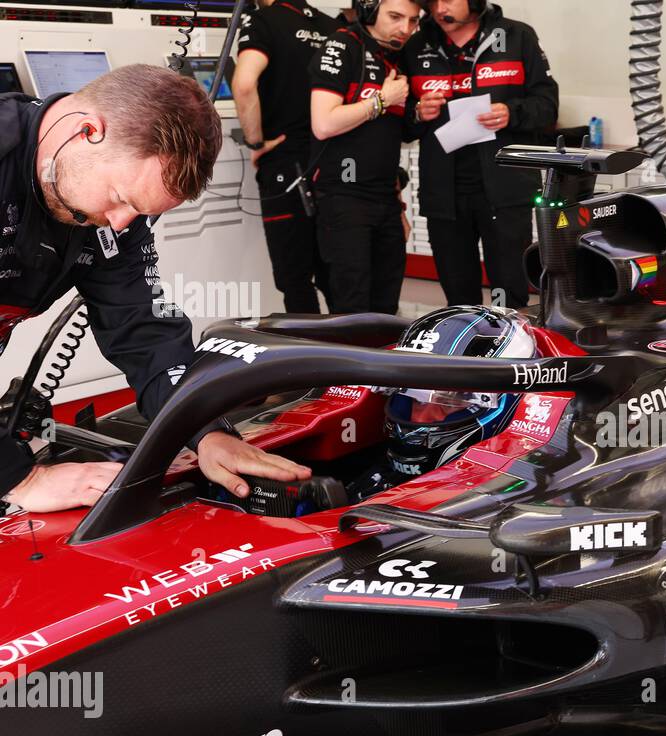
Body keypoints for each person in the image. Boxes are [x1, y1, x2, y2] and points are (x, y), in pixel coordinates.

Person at [0, 65, 310, 514]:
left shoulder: (109, 213)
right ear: (87, 130)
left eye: (140, 211)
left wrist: (206, 430)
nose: (124, 221)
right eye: (122, 197)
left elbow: (142, 328)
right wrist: (21, 478)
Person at [406, 0, 558, 309]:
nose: (438, 8)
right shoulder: (415, 44)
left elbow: (547, 105)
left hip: (505, 191)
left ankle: (510, 355)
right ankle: (465, 353)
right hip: (444, 196)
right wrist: (417, 113)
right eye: (432, 1)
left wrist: (511, 113)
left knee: (510, 294)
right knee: (458, 297)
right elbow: (399, 123)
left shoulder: (517, 36)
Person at [348, 305, 536, 499]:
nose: (420, 418)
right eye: (415, 399)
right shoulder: (378, 475)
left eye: (447, 403)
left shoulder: (522, 491)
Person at [309, 0, 421, 315]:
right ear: (370, 11)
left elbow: (384, 143)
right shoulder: (342, 45)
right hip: (343, 197)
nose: (405, 28)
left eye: (413, 21)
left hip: (385, 198)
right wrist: (382, 100)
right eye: (396, 17)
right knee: (352, 304)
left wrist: (398, 208)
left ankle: (384, 363)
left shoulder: (397, 58)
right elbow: (324, 123)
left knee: (386, 305)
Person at [233, 0, 336, 314]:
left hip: (285, 162)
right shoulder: (332, 26)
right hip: (330, 161)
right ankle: (349, 350)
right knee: (332, 272)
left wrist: (255, 141)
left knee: (295, 277)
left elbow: (244, 83)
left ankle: (308, 357)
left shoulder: (262, 21)